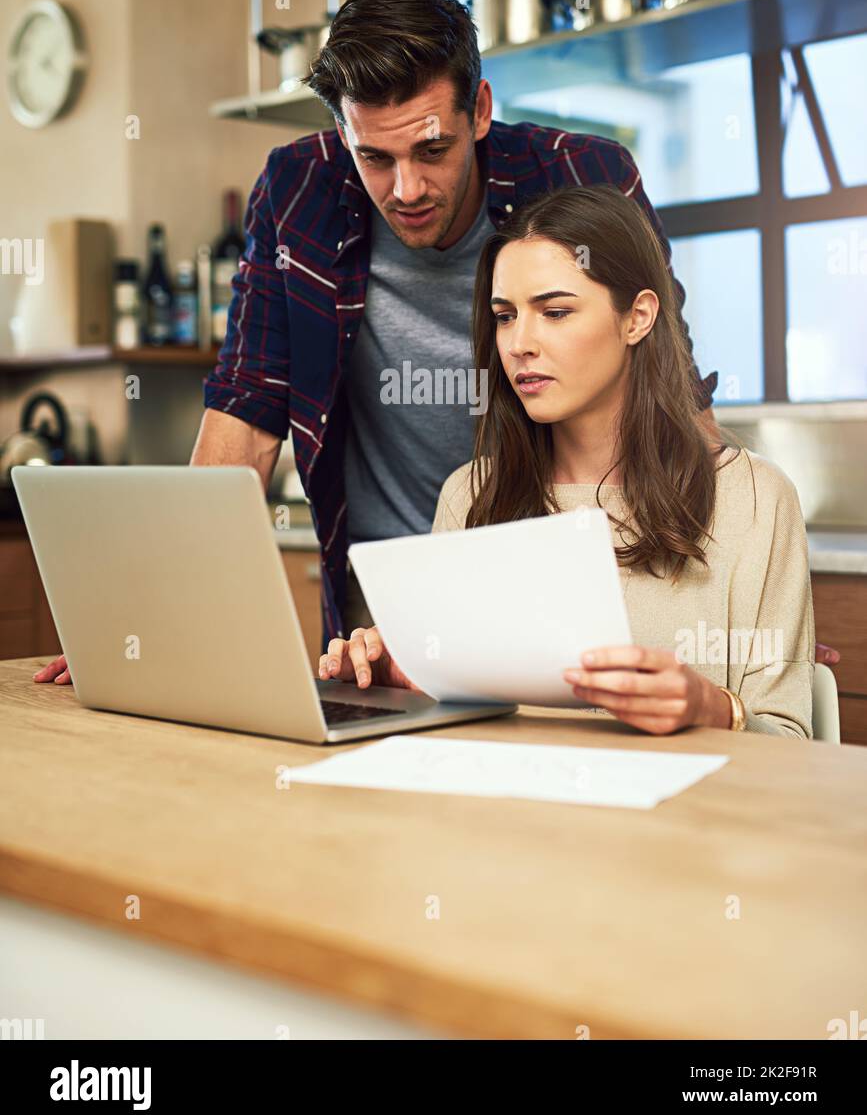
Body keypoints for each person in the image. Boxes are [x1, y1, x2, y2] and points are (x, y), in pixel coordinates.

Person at [35, 0, 837, 686]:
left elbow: (664, 370)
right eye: (373, 158)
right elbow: (243, 420)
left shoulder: (581, 176)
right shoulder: (298, 191)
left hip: (547, 569)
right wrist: (149, 616)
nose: (406, 188)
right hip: (387, 595)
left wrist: (744, 562)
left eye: (432, 149)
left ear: (479, 109)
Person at [319, 185, 815, 738]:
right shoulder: (470, 496)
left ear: (638, 318)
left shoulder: (754, 499)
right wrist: (398, 679)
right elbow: (457, 726)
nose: (519, 344)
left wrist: (709, 707)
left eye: (555, 312)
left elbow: (790, 738)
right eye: (505, 316)